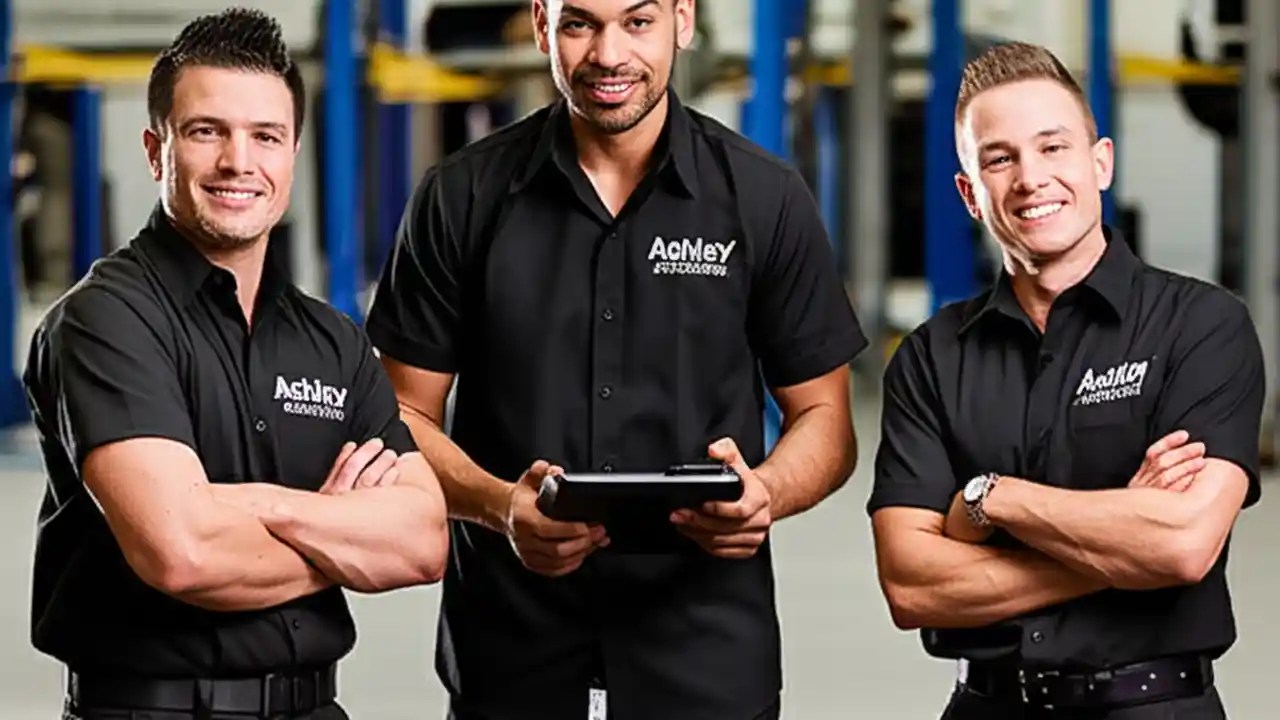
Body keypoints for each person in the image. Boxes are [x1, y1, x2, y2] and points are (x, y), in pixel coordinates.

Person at [364, 1, 868, 718]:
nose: (608, 54)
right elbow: (401, 417)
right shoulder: (459, 198)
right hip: (511, 653)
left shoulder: (763, 198)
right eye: (579, 24)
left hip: (705, 655)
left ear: (682, 21)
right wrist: (500, 506)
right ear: (541, 24)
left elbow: (825, 416)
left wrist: (769, 492)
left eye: (637, 22)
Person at [21, 9, 449, 720]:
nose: (238, 163)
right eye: (206, 131)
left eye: (266, 137)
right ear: (157, 150)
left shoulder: (333, 341)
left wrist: (265, 506)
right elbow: (180, 553)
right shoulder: (108, 321)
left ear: (292, 155)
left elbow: (423, 542)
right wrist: (341, 525)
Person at [867, 41, 1263, 719]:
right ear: (970, 193)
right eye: (1000, 158)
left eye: (1053, 148)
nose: (1030, 178)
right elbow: (912, 587)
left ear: (1100, 162)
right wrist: (1120, 548)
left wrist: (993, 501)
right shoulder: (931, 358)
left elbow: (1182, 544)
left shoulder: (1201, 326)